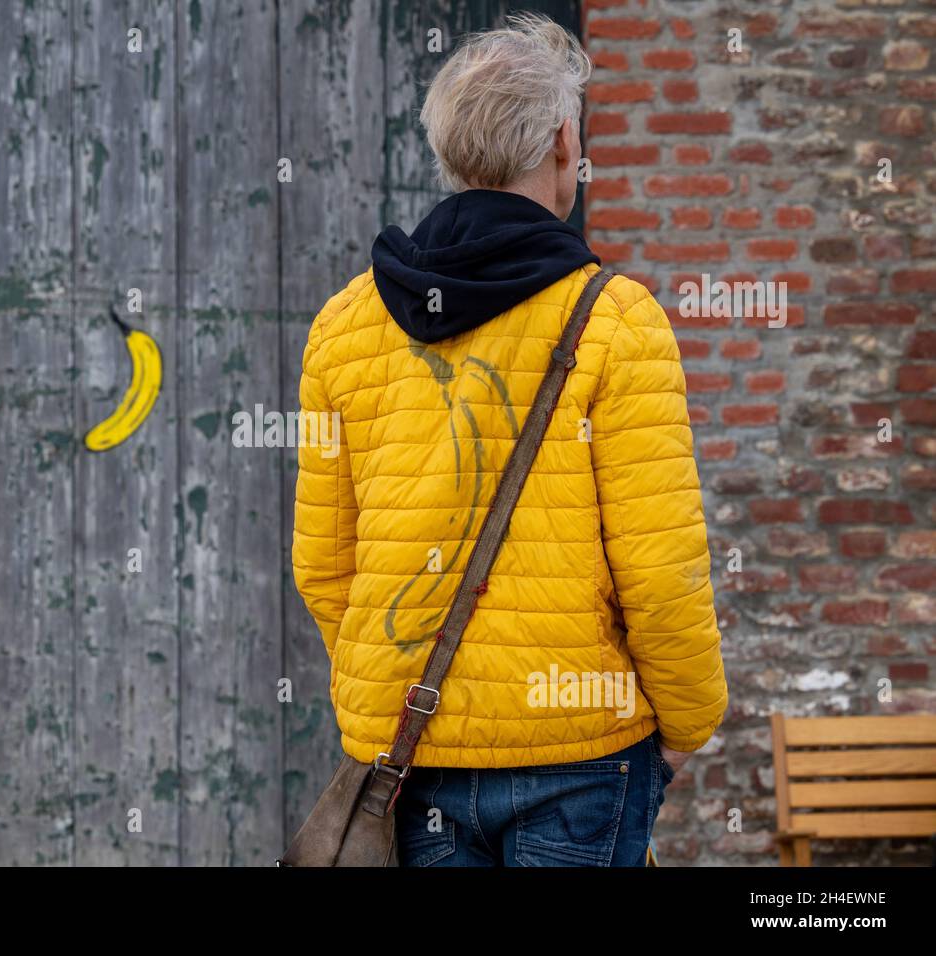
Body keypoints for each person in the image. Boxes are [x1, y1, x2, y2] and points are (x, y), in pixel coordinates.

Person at [291, 13, 727, 867]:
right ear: (566, 143)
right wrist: (688, 721)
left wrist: (392, 690)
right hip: (582, 756)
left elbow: (323, 564)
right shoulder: (617, 320)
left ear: (452, 151)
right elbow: (660, 567)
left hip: (413, 762)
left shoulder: (345, 325)